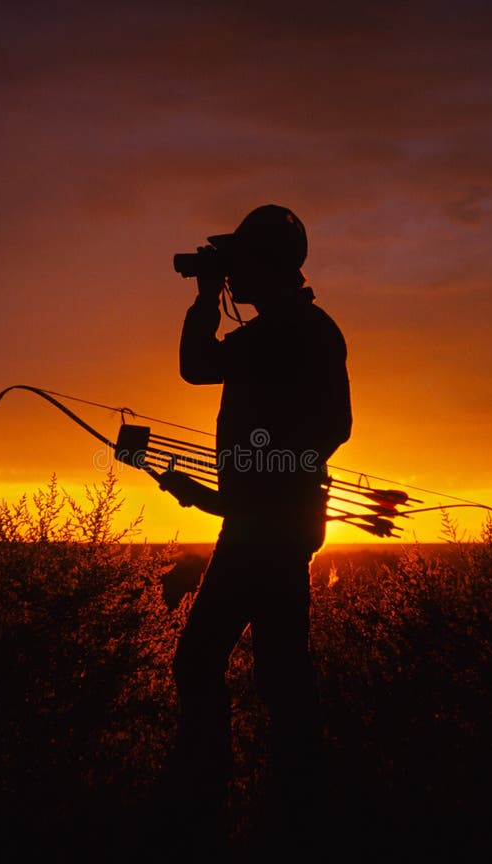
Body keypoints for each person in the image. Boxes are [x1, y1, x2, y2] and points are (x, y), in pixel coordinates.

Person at [159, 204, 352, 812]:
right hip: (279, 529)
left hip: (260, 536)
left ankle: (208, 793)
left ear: (262, 266)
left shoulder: (278, 333)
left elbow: (195, 365)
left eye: (236, 263)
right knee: (282, 671)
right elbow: (334, 428)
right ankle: (298, 795)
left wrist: (204, 298)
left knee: (200, 664)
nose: (228, 274)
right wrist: (241, 494)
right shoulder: (311, 329)